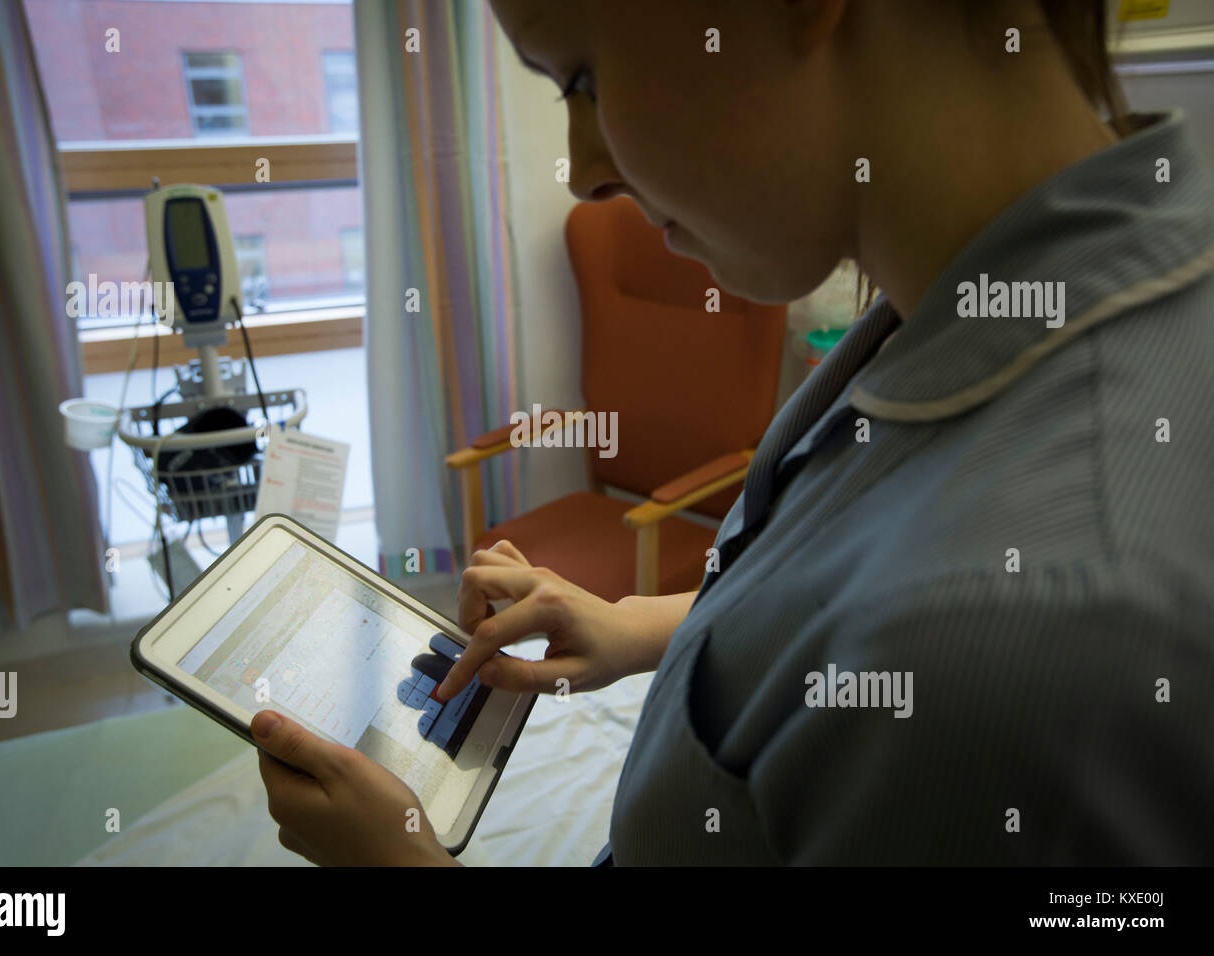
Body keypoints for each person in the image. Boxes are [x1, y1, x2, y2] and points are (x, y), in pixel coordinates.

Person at [252, 0, 1214, 865]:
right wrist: (644, 627)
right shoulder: (966, 303)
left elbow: (914, 634)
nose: (586, 174)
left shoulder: (1020, 637)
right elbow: (843, 600)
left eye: (583, 78)